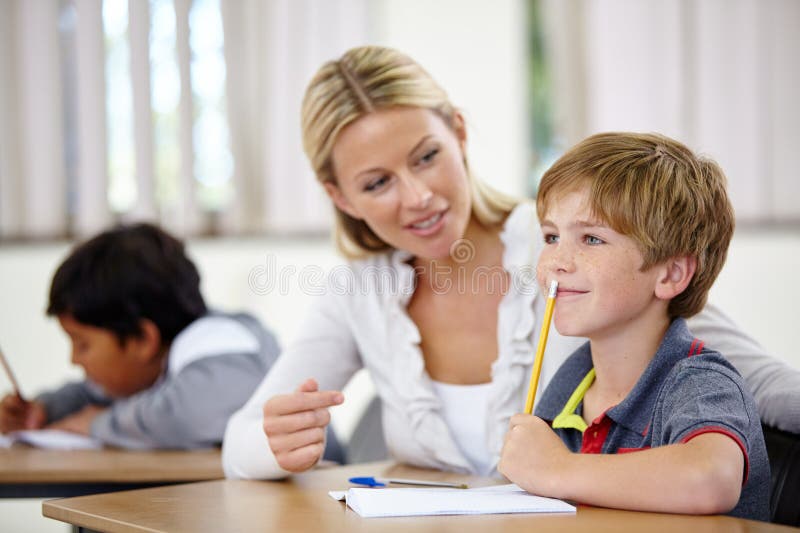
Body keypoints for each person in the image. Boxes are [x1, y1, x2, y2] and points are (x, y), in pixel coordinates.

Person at [222, 45, 799, 479]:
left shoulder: (566, 246)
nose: (417, 196)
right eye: (377, 183)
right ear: (341, 197)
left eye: (426, 157)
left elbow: (764, 384)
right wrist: (273, 444)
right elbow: (240, 440)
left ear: (459, 132)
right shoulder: (361, 292)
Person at [497, 133, 769, 520]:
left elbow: (712, 478)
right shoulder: (573, 382)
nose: (556, 260)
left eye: (591, 238)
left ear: (671, 274)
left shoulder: (698, 381)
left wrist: (559, 469)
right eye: (551, 236)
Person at [0, 223, 327, 452]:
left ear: (144, 339)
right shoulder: (158, 365)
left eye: (82, 344)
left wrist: (99, 424)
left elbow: (188, 414)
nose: (74, 360)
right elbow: (95, 392)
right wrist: (44, 408)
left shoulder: (222, 342)